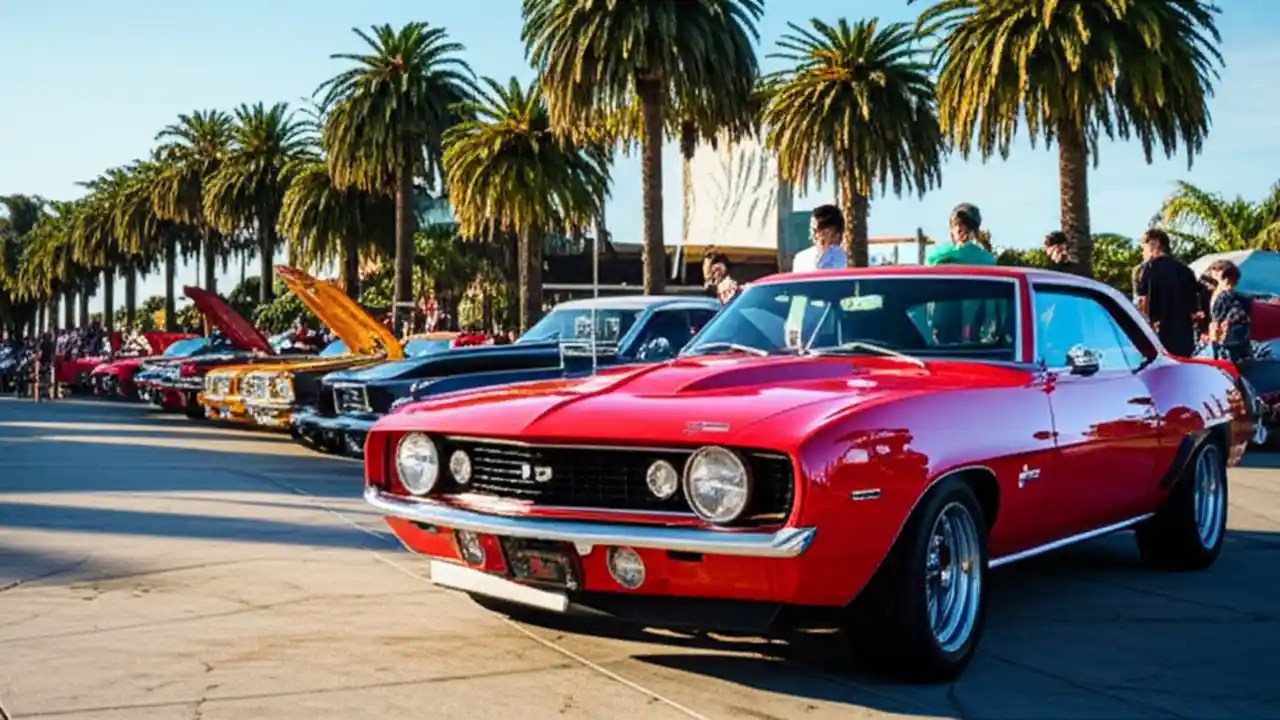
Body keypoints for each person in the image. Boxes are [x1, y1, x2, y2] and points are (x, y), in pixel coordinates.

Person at [1133, 228, 1199, 357]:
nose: (1143, 253)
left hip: (1158, 335)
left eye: (1144, 248)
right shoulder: (1185, 270)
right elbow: (1193, 309)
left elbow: (1143, 302)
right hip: (1184, 336)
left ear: (1155, 243)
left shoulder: (1149, 269)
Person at [1205, 259, 1253, 363]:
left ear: (1223, 275)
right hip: (1243, 343)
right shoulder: (1240, 297)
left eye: (1215, 270)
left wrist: (1213, 344)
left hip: (1227, 346)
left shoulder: (1223, 296)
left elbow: (1216, 323)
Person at [927, 203, 996, 266]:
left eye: (966, 230)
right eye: (956, 225)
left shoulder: (936, 256)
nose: (963, 234)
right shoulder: (988, 260)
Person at [792, 205, 848, 271]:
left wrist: (823, 252)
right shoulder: (802, 259)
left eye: (818, 231)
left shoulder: (845, 258)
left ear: (835, 235)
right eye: (812, 230)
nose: (813, 236)